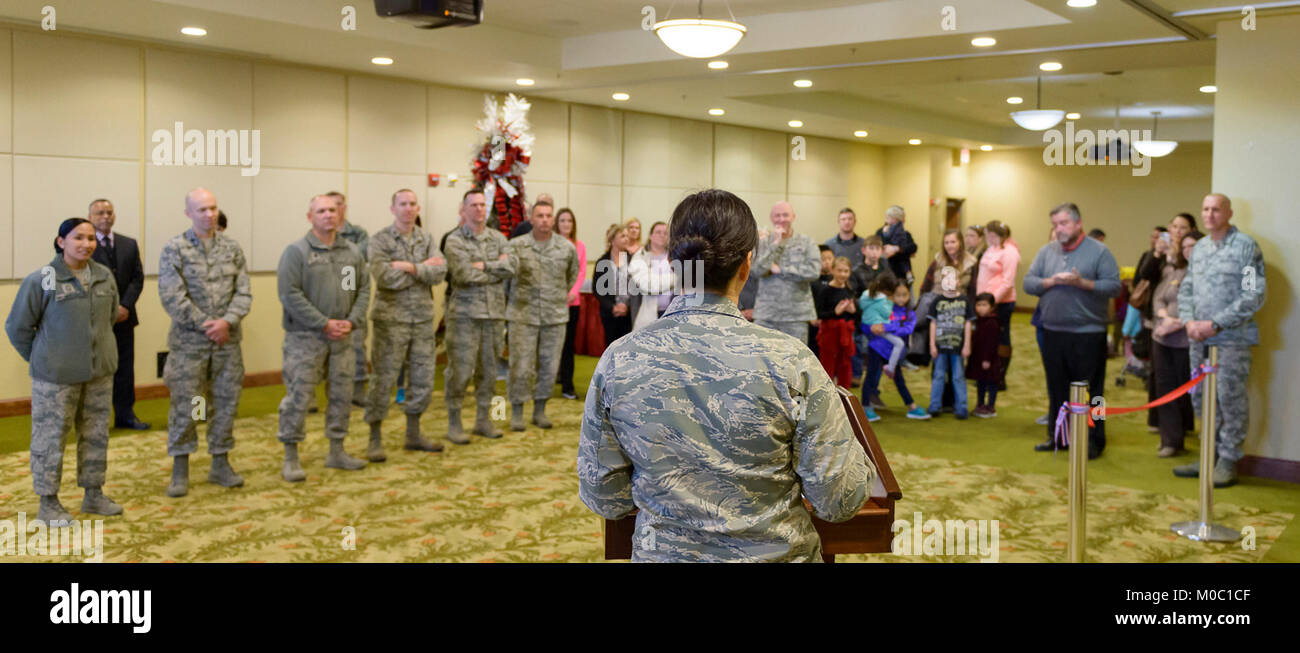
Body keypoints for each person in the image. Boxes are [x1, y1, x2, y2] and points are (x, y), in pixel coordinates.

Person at [577, 188, 874, 562]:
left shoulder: (620, 359)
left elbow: (603, 495)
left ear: (672, 263)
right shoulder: (791, 361)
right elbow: (839, 500)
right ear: (747, 265)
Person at [6, 218, 123, 524]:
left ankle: (93, 494)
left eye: (90, 238)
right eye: (78, 238)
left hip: (99, 373)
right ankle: (48, 503)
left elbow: (110, 318)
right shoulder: (41, 279)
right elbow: (18, 327)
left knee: (96, 435)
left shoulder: (104, 276)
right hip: (55, 378)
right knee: (50, 438)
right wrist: (45, 357)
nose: (86, 244)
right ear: (61, 242)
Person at [157, 188, 253, 497]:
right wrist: (208, 325)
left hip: (228, 343)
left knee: (225, 403)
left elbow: (244, 292)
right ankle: (181, 466)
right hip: (190, 345)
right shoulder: (175, 249)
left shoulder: (233, 249)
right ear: (188, 213)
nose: (209, 214)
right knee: (189, 404)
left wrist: (227, 321)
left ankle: (220, 463)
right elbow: (172, 296)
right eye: (201, 210)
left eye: (212, 208)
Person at [276, 195, 371, 481]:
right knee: (299, 397)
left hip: (342, 338)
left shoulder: (350, 252)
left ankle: (337, 451)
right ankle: (291, 456)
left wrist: (350, 320)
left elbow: (358, 289)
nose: (328, 215)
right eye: (321, 211)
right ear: (310, 217)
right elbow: (290, 295)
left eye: (332, 210)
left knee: (342, 395)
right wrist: (323, 323)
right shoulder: (297, 251)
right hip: (305, 339)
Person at [1175, 194, 1266, 487]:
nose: (1210, 214)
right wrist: (1189, 321)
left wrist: (1215, 324)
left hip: (1231, 339)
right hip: (1198, 339)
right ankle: (1208, 455)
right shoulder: (1199, 248)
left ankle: (1228, 460)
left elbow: (1253, 294)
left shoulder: (1246, 247)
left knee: (1230, 398)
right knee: (1200, 397)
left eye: (1216, 209)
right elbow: (1187, 287)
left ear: (1228, 212)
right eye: (1205, 209)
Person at [1023, 202, 1121, 459]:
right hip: (1053, 330)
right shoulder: (1047, 252)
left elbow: (1114, 287)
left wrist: (1083, 283)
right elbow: (1028, 283)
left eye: (1064, 223)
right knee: (1056, 387)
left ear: (1078, 223)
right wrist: (1051, 281)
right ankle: (1059, 436)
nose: (1059, 229)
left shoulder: (1099, 252)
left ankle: (1095, 439)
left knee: (1093, 391)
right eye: (1055, 224)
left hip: (1088, 333)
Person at [362, 189, 446, 461]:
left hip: (422, 320)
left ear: (418, 208)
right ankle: (374, 437)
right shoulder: (380, 240)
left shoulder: (427, 238)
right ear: (392, 208)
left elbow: (440, 272)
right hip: (390, 320)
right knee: (383, 379)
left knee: (421, 377)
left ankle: (413, 434)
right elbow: (384, 277)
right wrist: (422, 267)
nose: (408, 209)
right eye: (403, 204)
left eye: (412, 204)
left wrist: (408, 267)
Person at [444, 188, 518, 443]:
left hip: (494, 316)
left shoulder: (498, 238)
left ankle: (483, 420)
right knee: (460, 371)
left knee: (488, 371)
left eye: (482, 205)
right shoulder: (454, 240)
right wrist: (495, 270)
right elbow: (462, 275)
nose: (478, 209)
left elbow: (511, 267)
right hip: (464, 317)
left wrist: (484, 266)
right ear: (463, 210)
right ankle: (454, 422)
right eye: (473, 205)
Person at [507, 201, 579, 431]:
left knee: (549, 366)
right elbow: (507, 280)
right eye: (540, 215)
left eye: (549, 215)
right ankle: (517, 410)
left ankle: (540, 410)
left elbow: (572, 275)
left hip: (554, 315)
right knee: (521, 365)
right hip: (522, 314)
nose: (545, 220)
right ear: (531, 218)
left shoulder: (566, 248)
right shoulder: (515, 246)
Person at [87, 199, 149, 431]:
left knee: (125, 369)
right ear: (90, 216)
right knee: (97, 371)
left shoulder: (128, 244)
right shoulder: (85, 244)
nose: (105, 216)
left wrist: (124, 306)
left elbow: (137, 278)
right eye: (100, 213)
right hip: (96, 321)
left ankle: (125, 416)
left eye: (109, 212)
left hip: (125, 318)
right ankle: (95, 421)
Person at [1148, 230, 1199, 457]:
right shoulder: (1174, 271)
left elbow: (1204, 307)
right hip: (1163, 337)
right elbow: (1159, 296)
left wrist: (1178, 322)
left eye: (1194, 246)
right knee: (1164, 388)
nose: (1189, 250)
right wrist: (1164, 317)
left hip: (1187, 341)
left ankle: (1189, 435)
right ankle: (1170, 439)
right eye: (1185, 246)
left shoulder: (1206, 275)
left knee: (1185, 391)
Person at [324, 191, 372, 408]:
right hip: (323, 302)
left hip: (352, 300)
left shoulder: (358, 234)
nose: (333, 211)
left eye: (338, 205)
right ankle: (329, 393)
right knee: (322, 350)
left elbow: (356, 260)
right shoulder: (317, 234)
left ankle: (359, 391)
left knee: (357, 348)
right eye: (328, 207)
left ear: (344, 208)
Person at [860, 276, 928, 422]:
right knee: (871, 377)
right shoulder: (885, 306)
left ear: (909, 295)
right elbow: (869, 323)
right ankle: (865, 407)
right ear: (891, 295)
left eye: (904, 295)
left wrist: (886, 327)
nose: (901, 299)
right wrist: (873, 327)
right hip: (877, 347)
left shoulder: (910, 313)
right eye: (897, 295)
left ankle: (912, 407)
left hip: (894, 354)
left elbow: (908, 328)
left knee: (899, 380)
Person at [753, 201, 821, 341]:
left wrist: (781, 270)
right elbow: (755, 271)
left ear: (793, 217)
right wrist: (775, 244)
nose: (781, 219)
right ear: (771, 218)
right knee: (762, 359)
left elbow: (814, 271)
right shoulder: (763, 243)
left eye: (785, 215)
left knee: (796, 359)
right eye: (777, 216)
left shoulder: (807, 242)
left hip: (796, 316)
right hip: (766, 314)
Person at [976, 220, 1020, 389]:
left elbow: (1007, 282)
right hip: (985, 301)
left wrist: (991, 302)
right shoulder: (991, 249)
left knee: (1001, 338)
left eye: (991, 235)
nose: (988, 238)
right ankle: (986, 373)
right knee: (986, 339)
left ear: (1001, 235)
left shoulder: (1010, 251)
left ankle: (1000, 376)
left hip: (1001, 302)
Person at [849, 235, 894, 393]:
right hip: (865, 319)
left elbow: (891, 291)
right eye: (871, 248)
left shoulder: (886, 270)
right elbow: (853, 296)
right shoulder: (856, 271)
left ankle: (874, 388)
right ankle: (859, 378)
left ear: (881, 251)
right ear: (864, 250)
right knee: (863, 350)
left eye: (877, 249)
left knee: (879, 354)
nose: (874, 252)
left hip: (882, 319)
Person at [927, 267, 972, 419]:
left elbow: (967, 324)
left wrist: (967, 345)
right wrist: (932, 344)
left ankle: (961, 407)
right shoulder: (937, 301)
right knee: (938, 375)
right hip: (940, 346)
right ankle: (934, 406)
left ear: (959, 282)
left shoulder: (965, 301)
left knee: (958, 376)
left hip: (958, 347)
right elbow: (933, 323)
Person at [555, 208, 586, 399]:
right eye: (562, 220)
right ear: (556, 224)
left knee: (568, 346)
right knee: (550, 345)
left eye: (569, 221)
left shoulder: (579, 245)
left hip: (572, 303)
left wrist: (572, 292)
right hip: (553, 302)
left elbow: (581, 272)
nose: (566, 224)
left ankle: (568, 385)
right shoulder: (552, 244)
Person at [815, 256, 857, 388]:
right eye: (839, 270)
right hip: (829, 334)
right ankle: (827, 397)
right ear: (832, 270)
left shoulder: (849, 290)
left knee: (845, 365)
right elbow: (819, 314)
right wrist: (835, 312)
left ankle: (844, 397)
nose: (843, 274)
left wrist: (853, 311)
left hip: (845, 334)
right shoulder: (825, 290)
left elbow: (856, 317)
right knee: (828, 366)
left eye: (846, 271)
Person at [626, 221, 675, 331]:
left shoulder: (675, 256)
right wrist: (676, 278)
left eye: (665, 233)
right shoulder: (639, 257)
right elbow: (650, 285)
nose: (662, 235)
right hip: (647, 315)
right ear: (650, 236)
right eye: (658, 232)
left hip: (671, 312)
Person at [594, 223, 632, 347]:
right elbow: (597, 289)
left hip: (628, 313)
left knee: (627, 348)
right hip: (610, 313)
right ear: (612, 240)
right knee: (611, 347)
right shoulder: (603, 261)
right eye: (622, 236)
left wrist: (627, 306)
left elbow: (638, 286)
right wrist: (612, 307)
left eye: (627, 236)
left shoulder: (633, 260)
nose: (626, 239)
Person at [859, 275, 904, 378]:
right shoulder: (883, 299)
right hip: (878, 327)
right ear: (888, 290)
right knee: (899, 343)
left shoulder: (867, 294)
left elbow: (861, 305)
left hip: (868, 325)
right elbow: (887, 314)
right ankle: (890, 368)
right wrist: (891, 302)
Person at [968, 293, 1002, 418]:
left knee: (991, 383)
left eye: (984, 305)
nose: (981, 308)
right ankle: (980, 404)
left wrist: (987, 359)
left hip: (989, 359)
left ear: (992, 307)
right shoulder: (978, 321)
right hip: (978, 357)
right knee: (980, 382)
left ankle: (991, 406)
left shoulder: (992, 323)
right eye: (979, 305)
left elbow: (992, 343)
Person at [877, 205, 917, 291]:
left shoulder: (905, 234)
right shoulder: (881, 233)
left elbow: (913, 247)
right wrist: (903, 252)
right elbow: (884, 250)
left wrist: (896, 249)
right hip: (886, 272)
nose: (904, 220)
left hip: (901, 275)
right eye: (903, 217)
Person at [808, 244, 835, 355]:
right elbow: (808, 300)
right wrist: (812, 317)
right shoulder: (811, 280)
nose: (827, 262)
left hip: (831, 321)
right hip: (814, 322)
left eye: (830, 258)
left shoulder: (836, 279)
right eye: (823, 259)